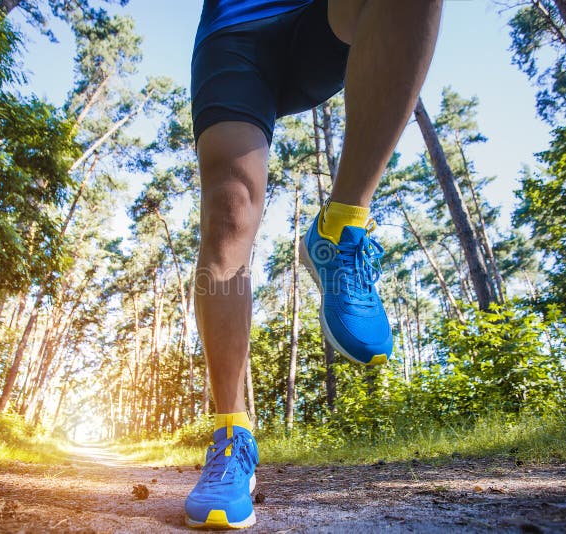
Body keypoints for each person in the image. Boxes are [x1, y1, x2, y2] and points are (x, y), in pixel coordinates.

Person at [184, 0, 443, 528]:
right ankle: (232, 436)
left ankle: (341, 226)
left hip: (316, 15)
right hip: (233, 33)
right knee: (228, 209)